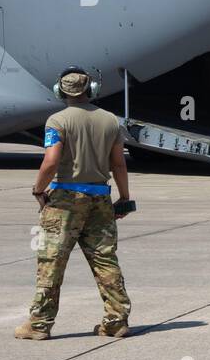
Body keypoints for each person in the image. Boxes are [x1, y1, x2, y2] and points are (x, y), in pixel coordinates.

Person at [15, 66, 133, 340]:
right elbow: (118, 163)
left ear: (60, 91)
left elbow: (51, 161)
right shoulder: (111, 121)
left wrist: (38, 190)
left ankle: (39, 324)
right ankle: (116, 321)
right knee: (105, 260)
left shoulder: (57, 121)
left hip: (65, 201)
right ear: (90, 90)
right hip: (100, 197)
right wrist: (124, 198)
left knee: (52, 261)